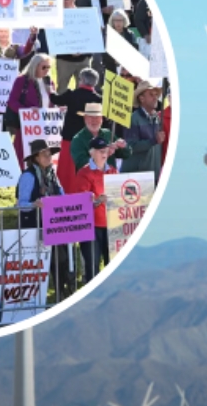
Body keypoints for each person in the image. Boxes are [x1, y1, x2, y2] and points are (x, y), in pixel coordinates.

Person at [16, 139, 72, 299]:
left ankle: (62, 290)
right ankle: (34, 297)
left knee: (61, 258)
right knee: (38, 262)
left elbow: (62, 195)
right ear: (35, 158)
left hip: (53, 225)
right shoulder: (28, 176)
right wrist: (34, 204)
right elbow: (21, 203)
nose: (48, 157)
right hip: (34, 225)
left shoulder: (52, 174)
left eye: (49, 154)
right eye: (44, 154)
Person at [75, 136, 119, 283]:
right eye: (100, 151)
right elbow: (81, 203)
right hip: (91, 227)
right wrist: (97, 201)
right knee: (92, 268)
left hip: (112, 226)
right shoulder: (84, 173)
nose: (104, 153)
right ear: (91, 153)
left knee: (112, 267)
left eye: (105, 150)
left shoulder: (113, 171)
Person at [4, 54, 60, 158]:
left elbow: (51, 102)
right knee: (23, 156)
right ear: (35, 66)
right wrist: (27, 110)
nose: (47, 70)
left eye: (49, 67)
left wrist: (57, 109)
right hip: (27, 126)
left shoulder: (49, 82)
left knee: (43, 155)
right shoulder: (21, 80)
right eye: (44, 67)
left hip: (45, 126)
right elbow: (12, 102)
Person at [122, 82, 165, 180]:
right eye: (151, 94)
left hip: (152, 175)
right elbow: (131, 147)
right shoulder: (133, 119)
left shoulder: (157, 118)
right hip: (137, 177)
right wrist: (153, 140)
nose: (155, 98)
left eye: (156, 95)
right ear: (141, 98)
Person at [70, 103, 126, 171]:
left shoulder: (108, 133)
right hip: (89, 180)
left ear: (101, 119)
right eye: (91, 117)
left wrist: (122, 146)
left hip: (110, 178)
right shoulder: (77, 139)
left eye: (97, 117)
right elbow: (81, 163)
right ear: (85, 118)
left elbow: (126, 154)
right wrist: (104, 154)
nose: (94, 120)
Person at [56, 68, 103, 142]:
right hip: (89, 138)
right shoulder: (99, 99)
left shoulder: (71, 94)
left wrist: (50, 91)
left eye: (79, 79)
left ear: (83, 80)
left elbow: (56, 100)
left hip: (69, 137)